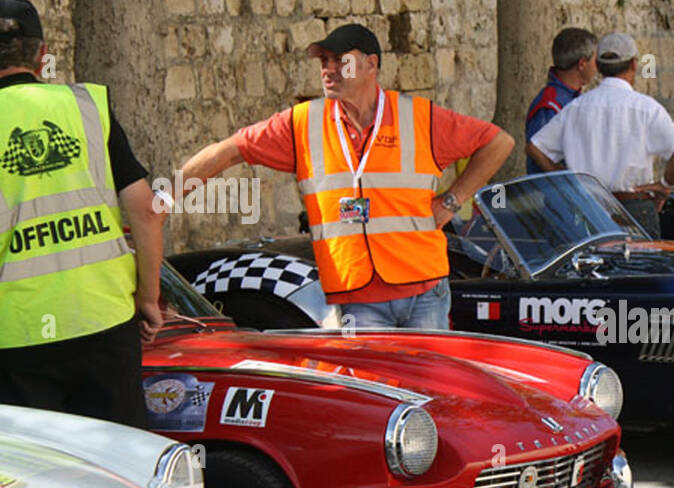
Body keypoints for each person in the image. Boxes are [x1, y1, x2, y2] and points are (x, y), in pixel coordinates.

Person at [178, 23, 513, 330]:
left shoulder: (419, 117)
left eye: (340, 59)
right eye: (324, 60)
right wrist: (165, 197)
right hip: (359, 297)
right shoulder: (302, 124)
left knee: (428, 394)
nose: (328, 68)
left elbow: (499, 142)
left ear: (371, 64)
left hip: (424, 291)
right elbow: (226, 151)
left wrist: (452, 201)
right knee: (376, 396)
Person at [0, 0, 165, 428]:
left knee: (38, 484)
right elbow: (147, 210)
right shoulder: (86, 107)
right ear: (43, 54)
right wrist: (148, 297)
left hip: (18, 339)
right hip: (105, 325)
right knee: (120, 475)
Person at [526, 32, 674, 234]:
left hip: (587, 207)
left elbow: (535, 148)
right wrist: (665, 185)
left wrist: (567, 180)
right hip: (633, 208)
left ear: (600, 67)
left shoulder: (576, 107)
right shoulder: (646, 108)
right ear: (633, 65)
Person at [525, 28, 597, 174]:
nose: (597, 67)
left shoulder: (573, 99)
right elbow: (539, 153)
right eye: (595, 60)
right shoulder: (551, 105)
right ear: (582, 63)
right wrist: (570, 179)